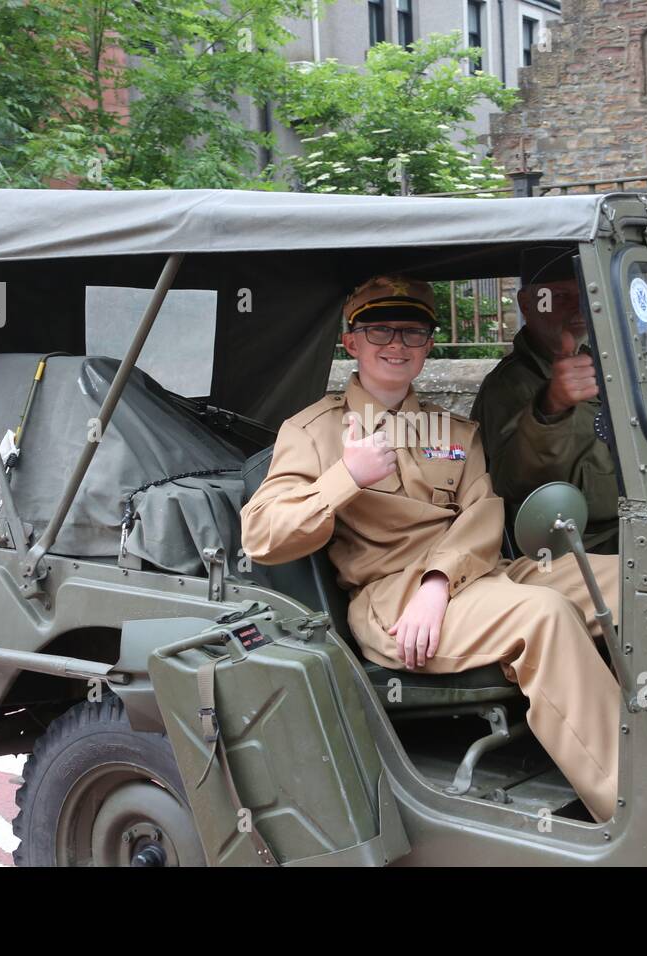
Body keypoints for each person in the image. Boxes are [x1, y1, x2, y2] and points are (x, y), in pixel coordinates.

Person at [241, 275, 623, 821]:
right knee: (543, 616)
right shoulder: (315, 432)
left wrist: (439, 581)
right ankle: (633, 808)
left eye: (413, 332)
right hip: (392, 602)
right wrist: (346, 475)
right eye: (380, 331)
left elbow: (483, 512)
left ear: (428, 346)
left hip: (471, 578)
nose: (397, 344)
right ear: (352, 343)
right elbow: (262, 535)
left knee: (634, 582)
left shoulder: (454, 431)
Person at [472, 246, 620, 553]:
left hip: (625, 529)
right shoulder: (510, 385)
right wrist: (550, 407)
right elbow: (509, 480)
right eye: (559, 297)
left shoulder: (599, 364)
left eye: (583, 294)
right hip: (572, 547)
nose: (577, 308)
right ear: (527, 303)